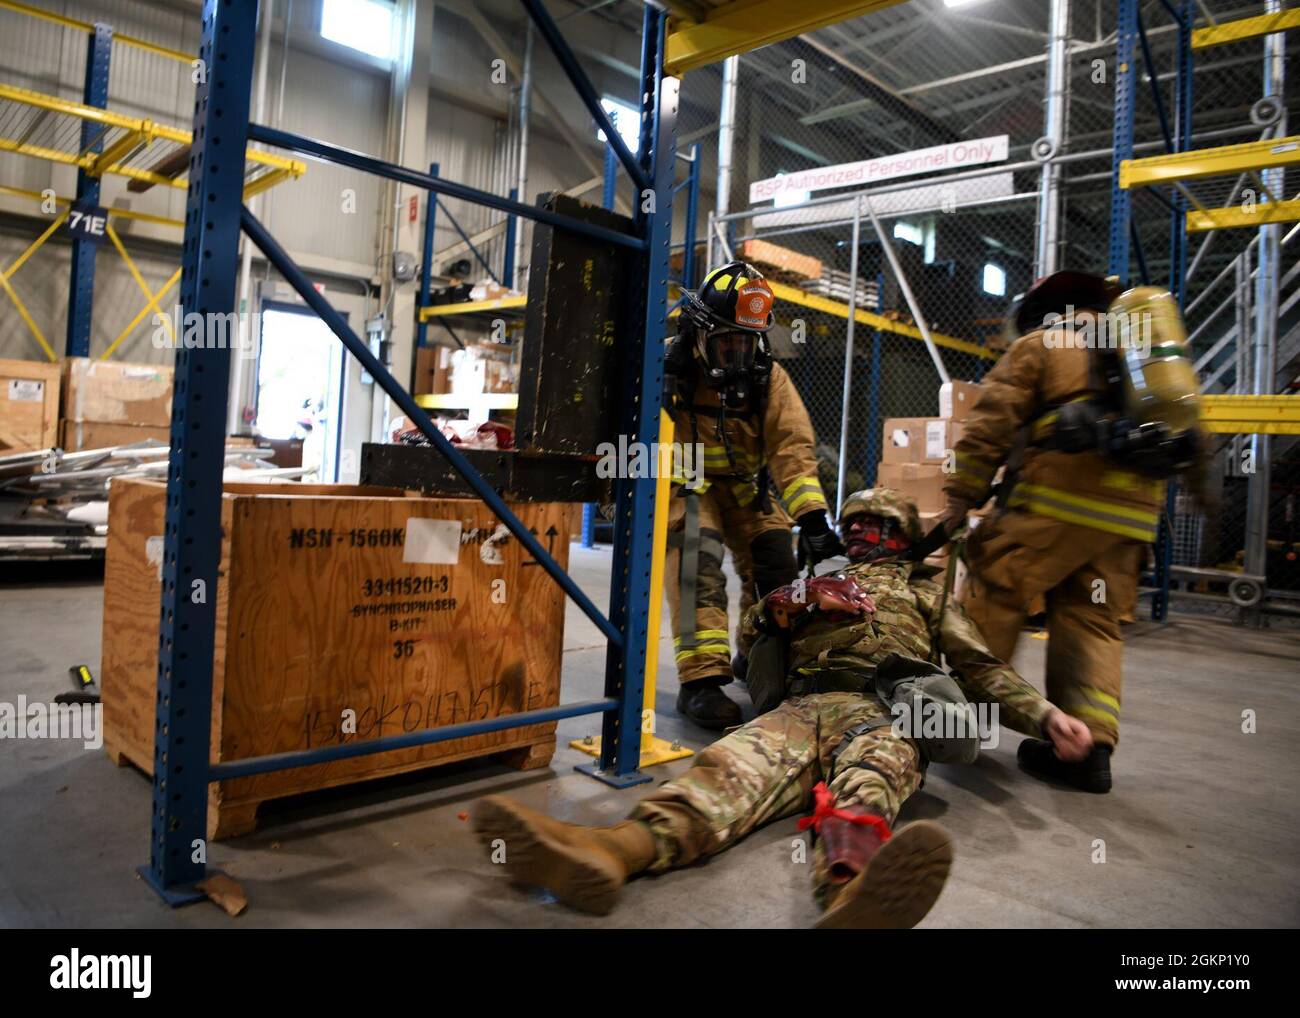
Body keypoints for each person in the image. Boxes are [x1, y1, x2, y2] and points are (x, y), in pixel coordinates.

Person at [473, 488, 1093, 928]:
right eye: (856, 527)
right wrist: (786, 604)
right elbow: (748, 657)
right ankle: (612, 852)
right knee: (725, 771)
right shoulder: (810, 585)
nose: (863, 538)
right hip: (801, 707)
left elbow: (979, 667)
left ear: (902, 542)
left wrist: (1044, 716)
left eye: (879, 529)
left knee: (873, 778)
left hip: (886, 708)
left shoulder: (923, 593)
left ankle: (850, 893)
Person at [926, 271, 1206, 794]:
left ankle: (964, 722)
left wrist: (959, 498)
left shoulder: (1043, 343)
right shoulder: (1135, 351)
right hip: (1130, 519)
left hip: (1054, 506)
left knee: (995, 590)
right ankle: (1089, 751)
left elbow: (991, 422)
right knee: (1092, 619)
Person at [662, 261, 841, 730]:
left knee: (777, 568)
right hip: (691, 486)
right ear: (699, 333)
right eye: (727, 343)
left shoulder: (768, 379)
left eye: (747, 343)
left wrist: (814, 517)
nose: (737, 356)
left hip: (748, 490)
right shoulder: (667, 369)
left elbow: (791, 448)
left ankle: (751, 656)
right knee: (696, 562)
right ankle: (700, 682)